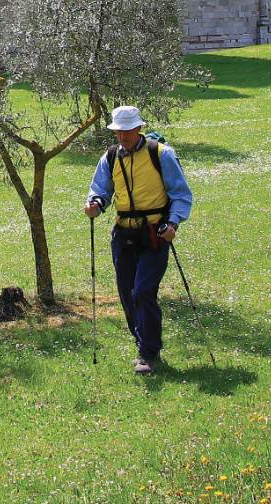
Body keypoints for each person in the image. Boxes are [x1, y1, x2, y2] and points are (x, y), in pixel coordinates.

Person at [83, 105, 194, 375]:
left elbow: (181, 194)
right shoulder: (110, 157)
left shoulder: (161, 154)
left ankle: (148, 352)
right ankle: (142, 342)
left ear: (139, 128)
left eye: (127, 131)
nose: (122, 137)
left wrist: (173, 222)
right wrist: (95, 204)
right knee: (127, 294)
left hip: (154, 233)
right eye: (118, 132)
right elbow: (100, 190)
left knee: (142, 291)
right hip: (123, 234)